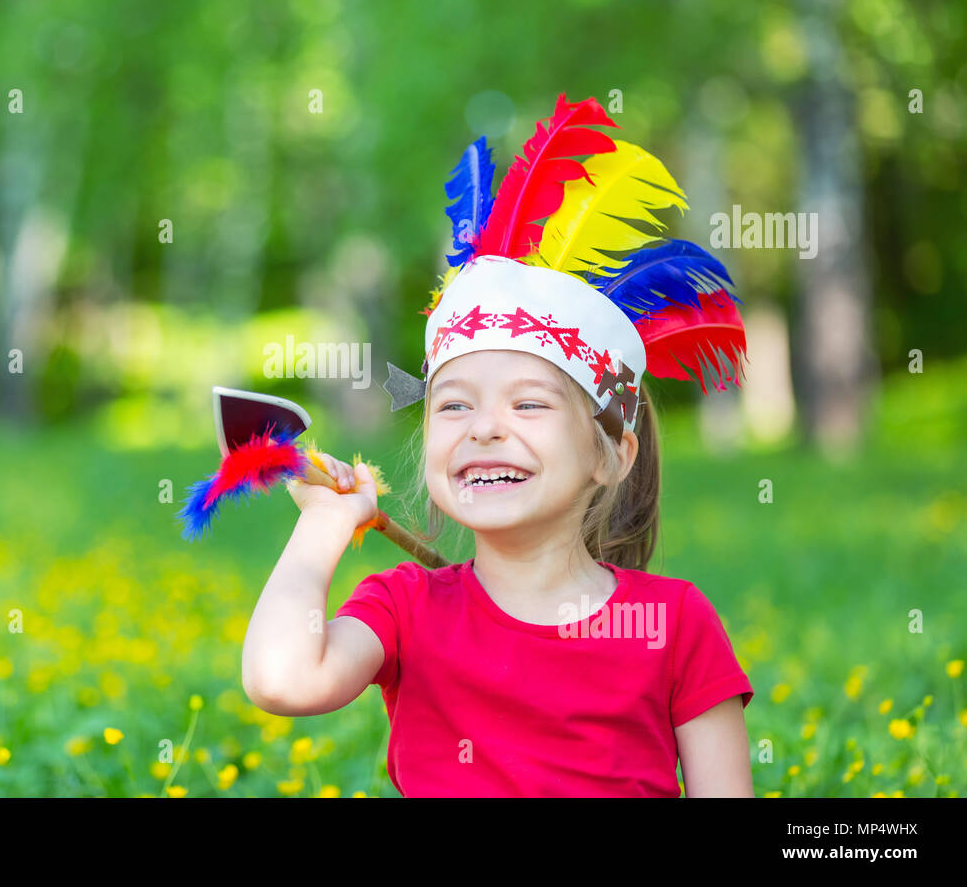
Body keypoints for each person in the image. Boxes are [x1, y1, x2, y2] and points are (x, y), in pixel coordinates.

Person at [241, 94, 754, 797]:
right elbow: (280, 679)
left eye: (529, 403)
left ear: (612, 454)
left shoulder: (675, 622)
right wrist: (323, 525)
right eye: (453, 406)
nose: (483, 427)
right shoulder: (406, 608)